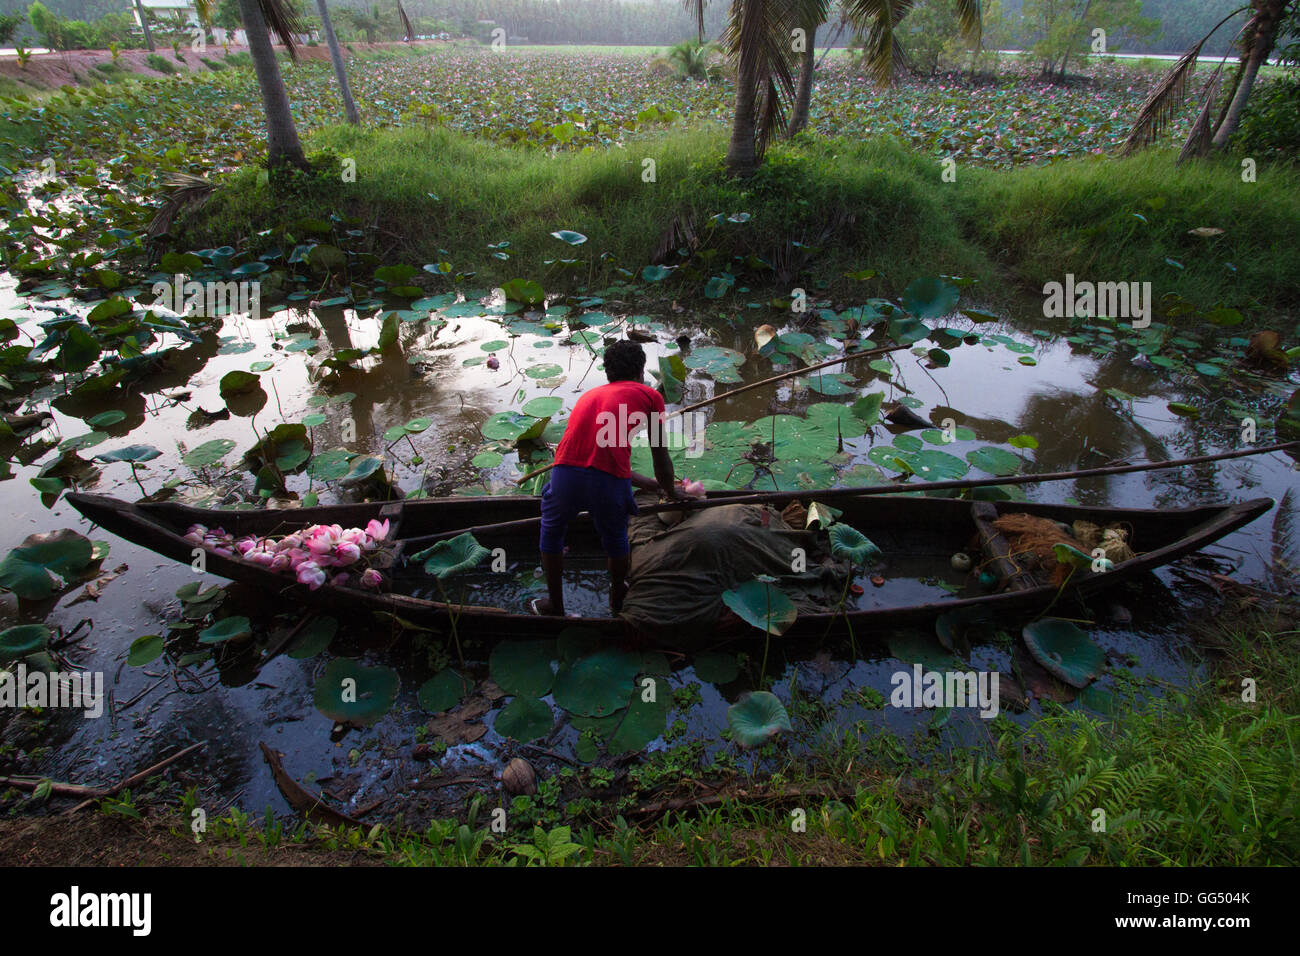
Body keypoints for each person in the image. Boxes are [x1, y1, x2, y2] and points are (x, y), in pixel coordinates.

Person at [534, 339, 681, 617]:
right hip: (607, 483)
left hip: (564, 473)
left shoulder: (589, 397)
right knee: (615, 538)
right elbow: (660, 458)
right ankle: (616, 596)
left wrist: (649, 485)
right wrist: (671, 492)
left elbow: (591, 460)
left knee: (552, 532)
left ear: (608, 372)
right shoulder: (650, 396)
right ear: (640, 370)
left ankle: (554, 605)